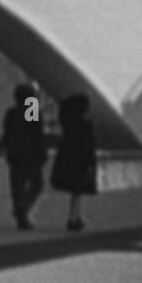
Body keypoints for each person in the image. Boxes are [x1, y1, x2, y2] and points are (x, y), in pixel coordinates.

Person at [2, 83, 47, 230]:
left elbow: (7, 133)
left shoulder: (11, 112)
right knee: (37, 183)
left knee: (17, 187)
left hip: (14, 155)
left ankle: (21, 220)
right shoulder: (31, 109)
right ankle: (23, 207)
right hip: (30, 154)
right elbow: (36, 133)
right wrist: (42, 152)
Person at [50, 94, 97, 232]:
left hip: (20, 154)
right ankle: (74, 218)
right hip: (77, 162)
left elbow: (32, 124)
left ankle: (22, 209)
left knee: (25, 184)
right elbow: (89, 147)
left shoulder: (67, 123)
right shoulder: (84, 125)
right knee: (76, 191)